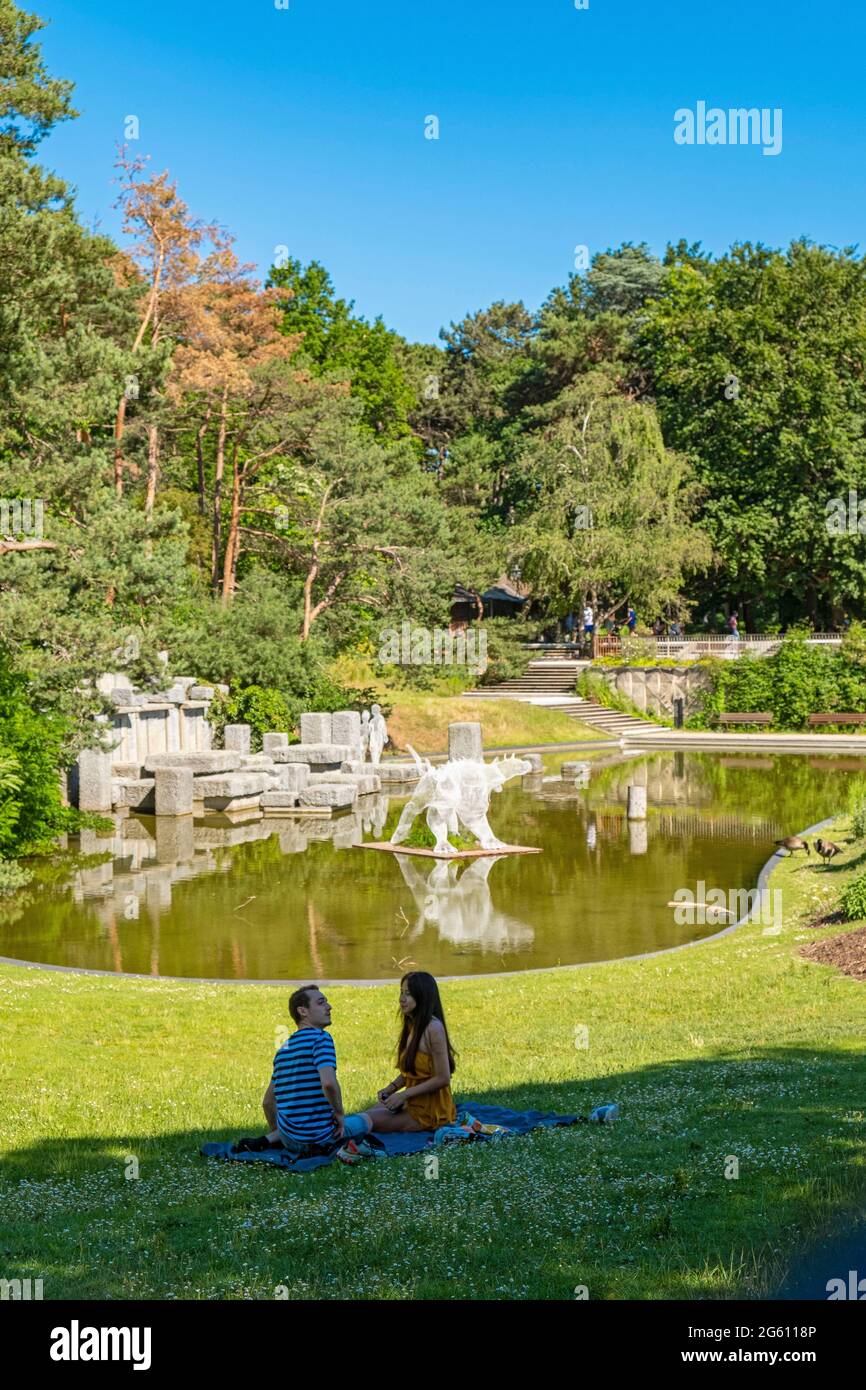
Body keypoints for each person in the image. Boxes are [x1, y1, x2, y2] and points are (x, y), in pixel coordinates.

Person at [259, 985, 371, 1158]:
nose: (329, 1006)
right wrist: (339, 1113)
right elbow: (328, 1083)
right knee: (366, 1120)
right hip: (319, 1138)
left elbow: (267, 1103)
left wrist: (283, 1136)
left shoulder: (283, 1050)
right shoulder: (321, 1039)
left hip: (289, 1140)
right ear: (303, 1011)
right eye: (321, 1002)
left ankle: (271, 1138)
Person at [360, 971, 457, 1138]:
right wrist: (391, 1089)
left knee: (366, 1120)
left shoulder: (433, 1028)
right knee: (368, 1113)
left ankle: (320, 1140)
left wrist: (404, 1095)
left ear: (423, 997)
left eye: (408, 994)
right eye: (401, 992)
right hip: (410, 1103)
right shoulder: (412, 1025)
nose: (401, 999)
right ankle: (322, 1135)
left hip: (431, 1112)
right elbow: (414, 1071)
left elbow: (443, 1078)